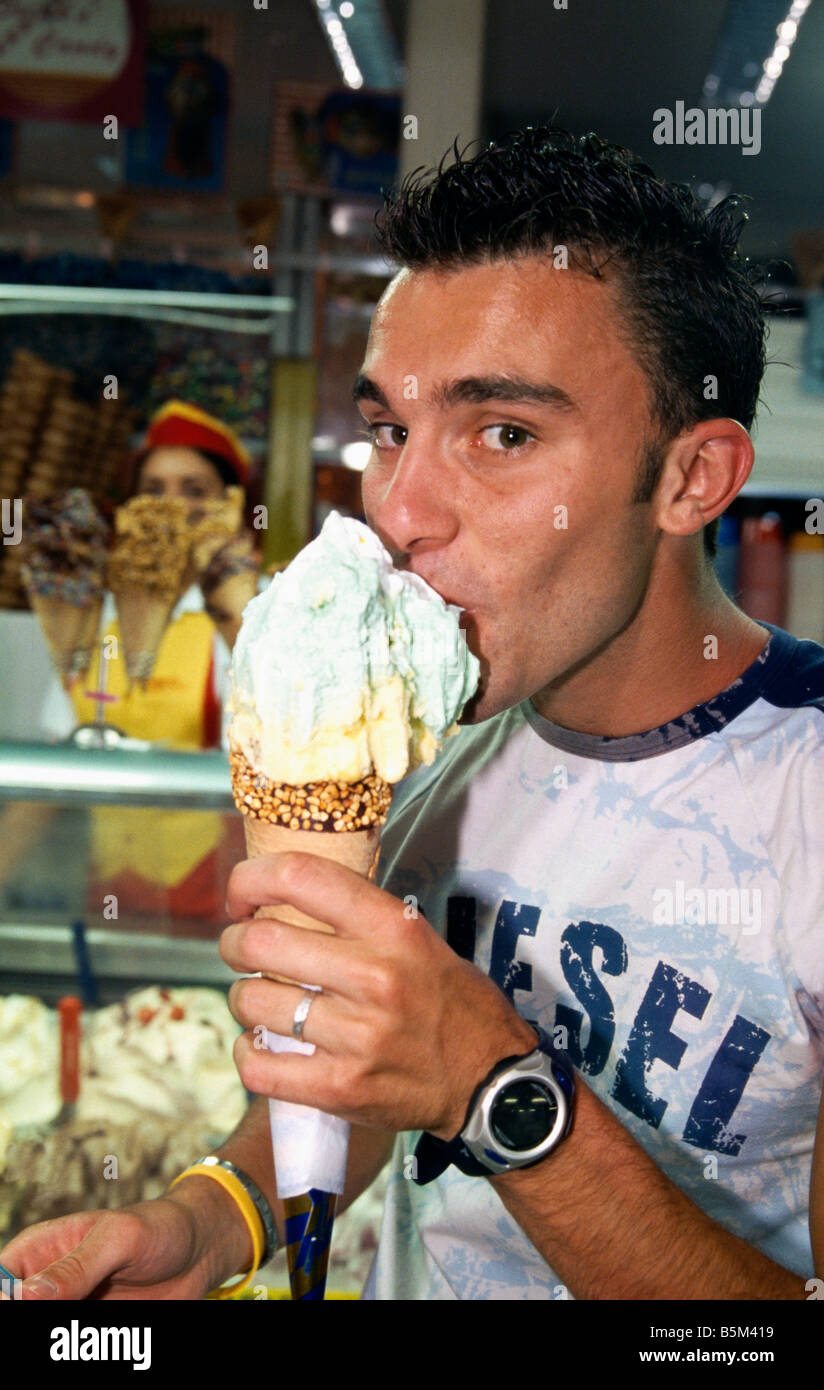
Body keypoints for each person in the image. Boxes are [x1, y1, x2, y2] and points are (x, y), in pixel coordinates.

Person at [3, 128, 822, 1301]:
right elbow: (377, 1087)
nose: (399, 509)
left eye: (502, 434)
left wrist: (494, 1089)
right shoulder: (424, 749)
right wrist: (210, 1218)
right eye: (390, 428)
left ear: (690, 477)